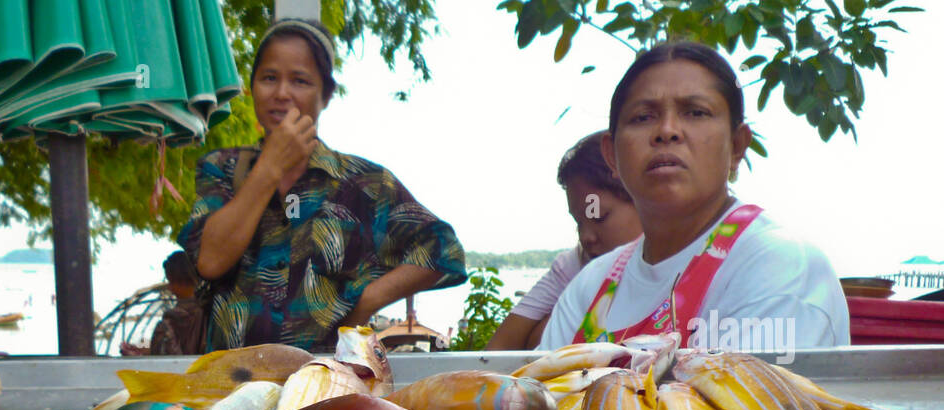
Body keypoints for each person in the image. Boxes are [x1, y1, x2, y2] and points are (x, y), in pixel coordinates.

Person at [540, 42, 850, 353]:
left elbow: (744, 400)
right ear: (612, 156)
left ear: (737, 146)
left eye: (696, 112)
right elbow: (538, 397)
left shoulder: (780, 267)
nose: (667, 130)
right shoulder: (591, 286)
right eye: (642, 117)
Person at [179, 17, 467, 352]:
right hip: (233, 391)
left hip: (330, 387)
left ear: (326, 94)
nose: (282, 93)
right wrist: (269, 168)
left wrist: (365, 302)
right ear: (253, 86)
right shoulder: (221, 169)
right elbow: (210, 262)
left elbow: (443, 250)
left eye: (300, 81)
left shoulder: (364, 184)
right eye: (269, 78)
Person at [487, 132, 642, 350]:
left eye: (600, 217)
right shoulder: (574, 265)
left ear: (643, 198)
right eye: (578, 223)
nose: (586, 237)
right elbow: (498, 348)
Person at [148, 251, 207, 356]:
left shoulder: (169, 322)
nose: (170, 288)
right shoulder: (211, 311)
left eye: (170, 282)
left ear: (179, 280)